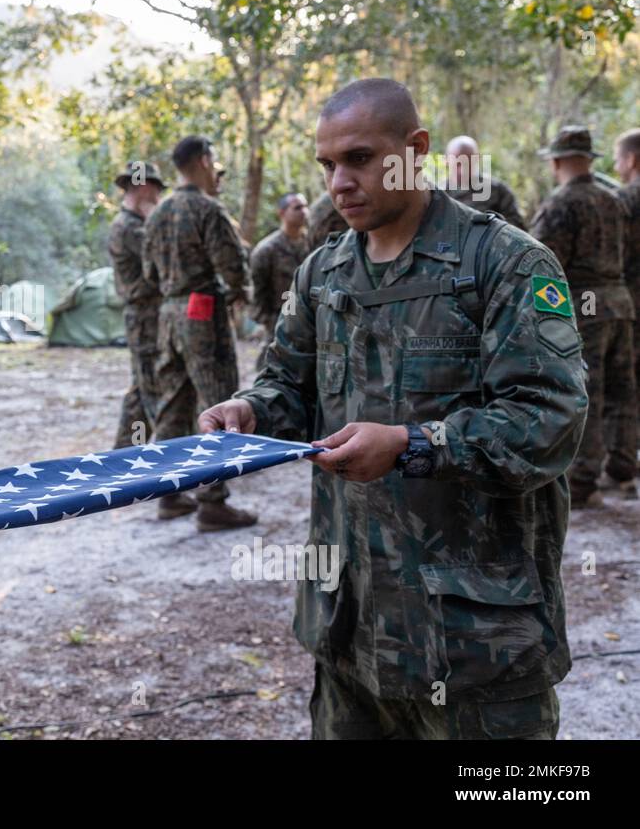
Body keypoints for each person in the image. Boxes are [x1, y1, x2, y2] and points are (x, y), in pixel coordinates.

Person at [200, 78, 587, 739]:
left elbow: (548, 421)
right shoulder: (323, 273)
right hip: (351, 628)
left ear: (415, 150)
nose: (339, 182)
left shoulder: (506, 263)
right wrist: (250, 411)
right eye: (327, 165)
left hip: (473, 640)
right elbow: (288, 384)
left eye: (359, 158)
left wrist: (415, 442)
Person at [143, 135, 256, 531]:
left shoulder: (156, 214)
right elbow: (233, 266)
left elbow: (149, 274)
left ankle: (170, 494)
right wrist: (240, 293)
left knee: (172, 403)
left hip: (169, 314)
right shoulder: (209, 210)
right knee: (219, 402)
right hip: (203, 311)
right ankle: (213, 502)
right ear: (205, 160)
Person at [530, 125, 636, 504]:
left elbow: (539, 266)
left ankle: (584, 479)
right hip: (620, 303)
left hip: (584, 305)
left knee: (585, 390)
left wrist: (544, 318)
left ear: (557, 162)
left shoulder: (560, 204)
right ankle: (622, 469)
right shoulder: (615, 200)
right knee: (622, 390)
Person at [107, 160, 199, 517]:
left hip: (149, 315)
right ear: (142, 187)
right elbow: (166, 259)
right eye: (156, 188)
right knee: (159, 395)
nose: (160, 195)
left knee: (141, 393)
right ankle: (167, 490)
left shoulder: (133, 223)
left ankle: (119, 466)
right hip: (146, 316)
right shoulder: (131, 227)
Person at [249, 192, 310, 368]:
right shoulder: (266, 250)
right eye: (297, 207)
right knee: (271, 372)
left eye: (306, 206)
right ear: (282, 213)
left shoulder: (314, 244)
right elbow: (258, 294)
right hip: (279, 322)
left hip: (311, 321)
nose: (304, 212)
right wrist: (270, 323)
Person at [611, 128, 640, 486]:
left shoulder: (624, 201)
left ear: (631, 160)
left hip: (629, 300)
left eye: (618, 159)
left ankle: (621, 461)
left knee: (624, 383)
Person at [440, 135, 527, 229]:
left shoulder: (497, 191)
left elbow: (516, 229)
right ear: (446, 161)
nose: (462, 170)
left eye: (468, 164)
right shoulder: (437, 194)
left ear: (477, 159)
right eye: (458, 164)